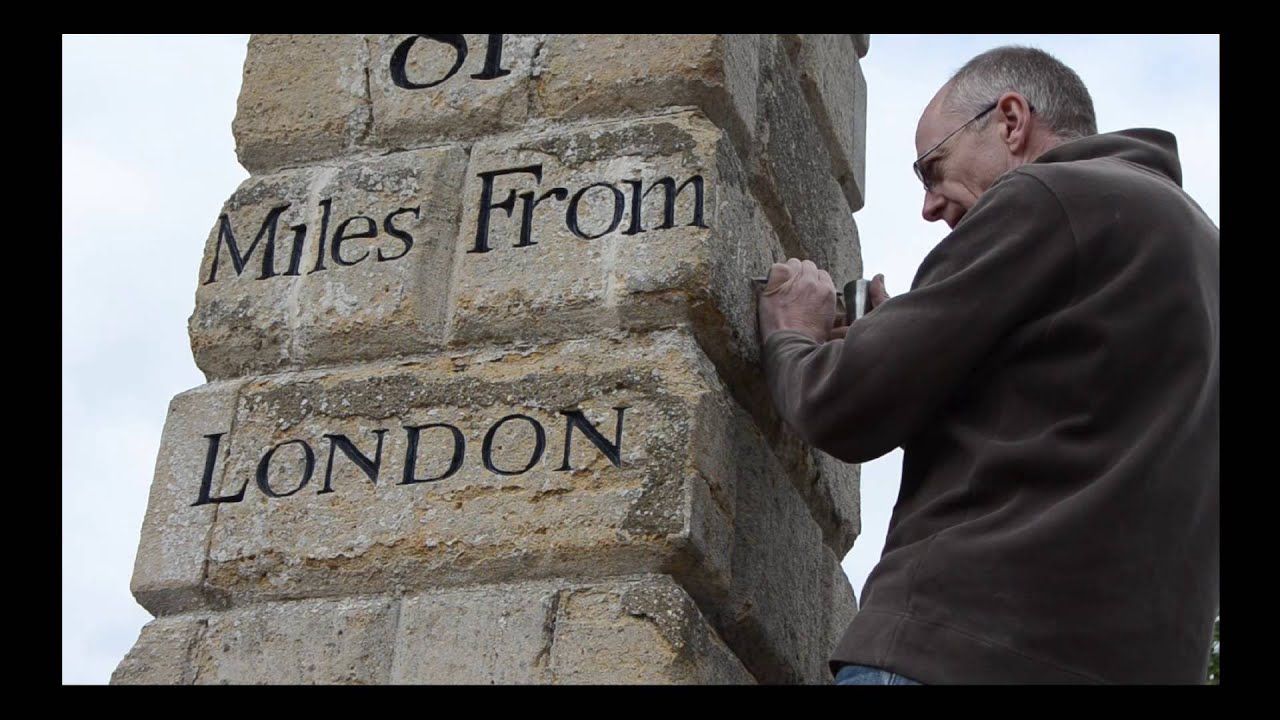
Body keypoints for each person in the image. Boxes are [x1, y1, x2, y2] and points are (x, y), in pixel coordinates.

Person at [757, 45, 1219, 684]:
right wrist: (901, 333)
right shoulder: (1193, 251)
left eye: (932, 168)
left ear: (1009, 121)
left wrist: (793, 336)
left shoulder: (1047, 195)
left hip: (955, 651)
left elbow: (844, 407)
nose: (928, 206)